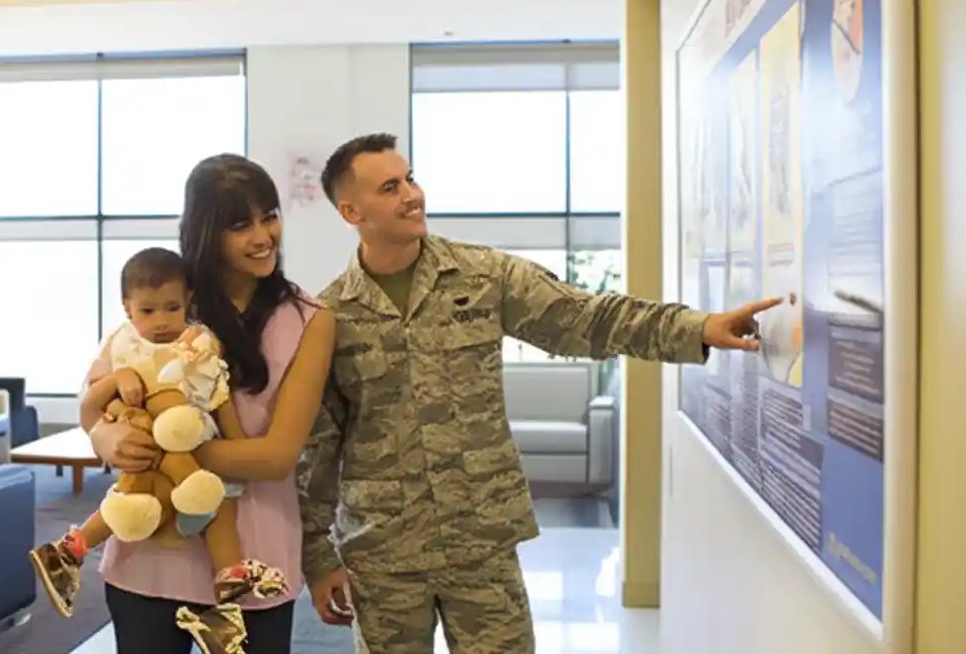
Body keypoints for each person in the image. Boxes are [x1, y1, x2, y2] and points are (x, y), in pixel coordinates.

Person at [297, 133, 782, 653]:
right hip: (382, 551)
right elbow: (319, 445)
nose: (412, 194)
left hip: (480, 542)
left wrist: (697, 327)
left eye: (410, 178)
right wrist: (318, 555)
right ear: (351, 211)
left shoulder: (484, 276)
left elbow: (587, 317)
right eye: (390, 187)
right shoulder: (331, 316)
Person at [83, 154, 335, 654]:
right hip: (152, 549)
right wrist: (106, 436)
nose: (264, 236)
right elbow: (95, 407)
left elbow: (276, 457)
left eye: (270, 216)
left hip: (251, 559)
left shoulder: (310, 319)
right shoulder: (164, 304)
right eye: (240, 225)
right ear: (203, 231)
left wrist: (164, 450)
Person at [30, 247, 286, 621]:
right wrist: (120, 386)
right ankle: (72, 548)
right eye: (148, 311)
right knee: (132, 495)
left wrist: (237, 447)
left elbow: (218, 395)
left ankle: (228, 583)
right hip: (147, 440)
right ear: (127, 307)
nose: (161, 321)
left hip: (191, 441)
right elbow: (95, 400)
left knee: (219, 508)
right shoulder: (122, 342)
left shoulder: (198, 344)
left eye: (172, 308)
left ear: (189, 302)